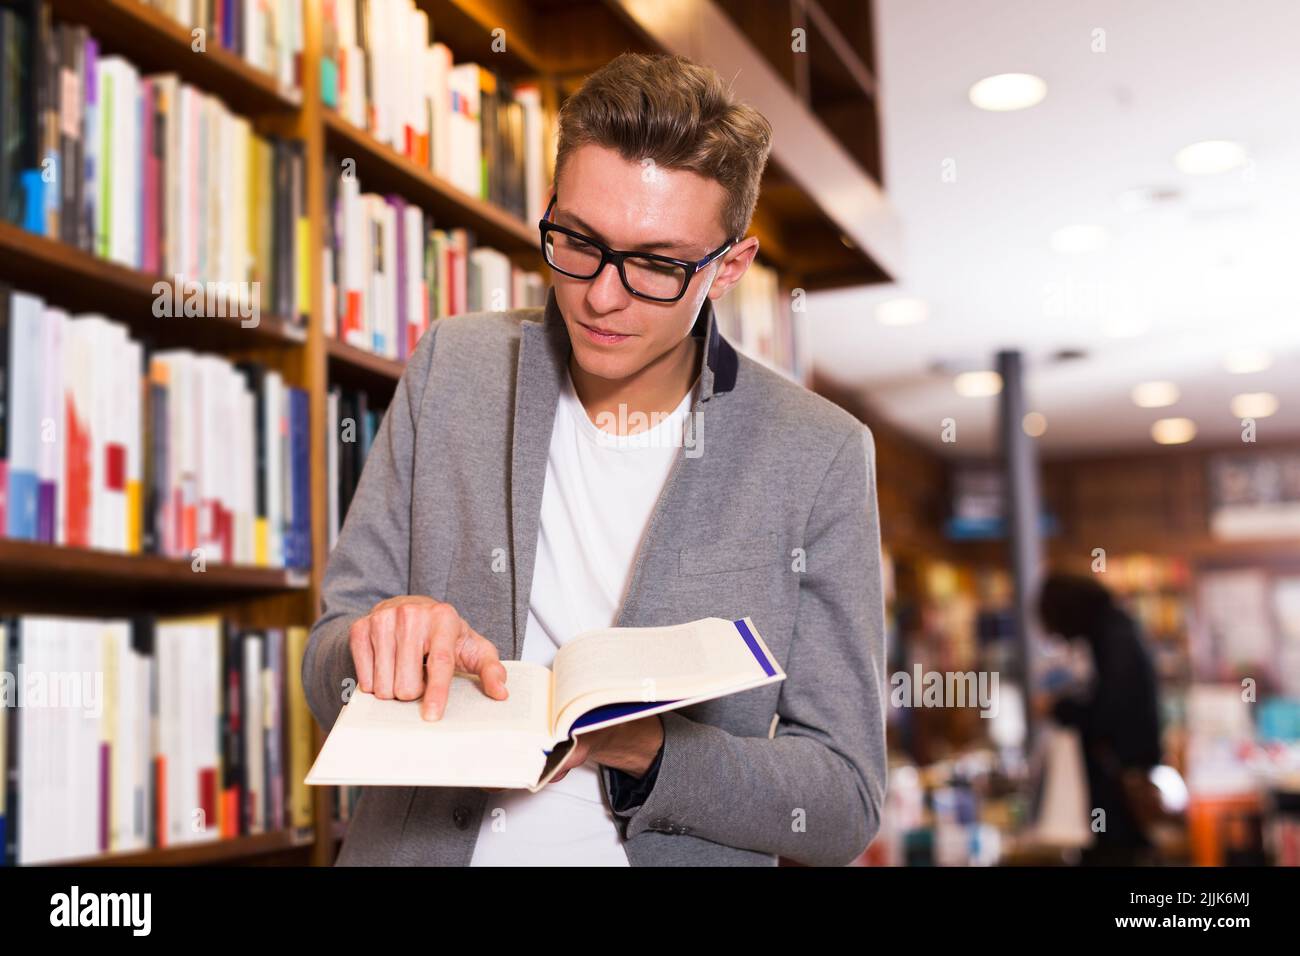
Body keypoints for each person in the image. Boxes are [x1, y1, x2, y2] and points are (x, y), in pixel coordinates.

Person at [302, 51, 887, 867]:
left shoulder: (816, 453)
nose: (601, 296)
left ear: (729, 269)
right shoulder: (455, 366)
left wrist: (653, 754)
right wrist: (378, 643)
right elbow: (325, 670)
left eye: (655, 264)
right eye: (577, 241)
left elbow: (844, 802)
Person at [1035, 572, 1163, 865]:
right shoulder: (1113, 630)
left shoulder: (1112, 636)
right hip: (1121, 779)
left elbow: (1109, 711)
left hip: (1118, 784)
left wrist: (1059, 709)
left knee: (1114, 853)